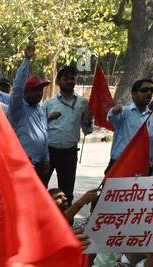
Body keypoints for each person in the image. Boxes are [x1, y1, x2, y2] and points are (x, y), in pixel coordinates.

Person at [44, 65, 93, 199]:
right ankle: (41, 219)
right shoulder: (49, 103)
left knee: (67, 193)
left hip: (69, 154)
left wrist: (88, 122)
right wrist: (49, 118)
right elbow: (39, 127)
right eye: (66, 79)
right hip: (49, 153)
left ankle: (66, 220)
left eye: (72, 78)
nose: (70, 81)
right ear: (58, 82)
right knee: (41, 189)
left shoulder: (82, 102)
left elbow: (87, 131)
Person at [7, 45, 50, 183]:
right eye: (35, 90)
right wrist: (26, 60)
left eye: (41, 90)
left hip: (39, 164)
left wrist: (47, 159)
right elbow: (18, 86)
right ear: (26, 92)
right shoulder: (17, 108)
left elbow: (44, 136)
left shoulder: (41, 110)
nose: (39, 93)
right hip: (22, 163)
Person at [107, 79, 153, 176]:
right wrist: (114, 111)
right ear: (134, 94)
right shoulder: (124, 112)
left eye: (151, 90)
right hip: (119, 165)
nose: (148, 93)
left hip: (141, 167)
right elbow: (112, 118)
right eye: (144, 90)